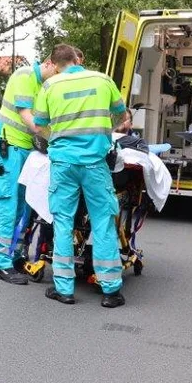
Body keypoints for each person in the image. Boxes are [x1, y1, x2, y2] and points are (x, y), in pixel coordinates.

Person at [33, 44, 127, 307]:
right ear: (78, 58)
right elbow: (121, 114)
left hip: (63, 163)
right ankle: (110, 290)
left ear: (54, 63)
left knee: (63, 223)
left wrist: (59, 139)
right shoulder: (102, 79)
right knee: (103, 222)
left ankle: (64, 289)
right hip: (95, 163)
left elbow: (39, 126)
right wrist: (106, 132)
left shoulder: (50, 87)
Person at [0, 54, 60, 285]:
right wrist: (57, 138)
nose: (61, 77)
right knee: (7, 204)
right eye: (59, 71)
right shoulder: (25, 75)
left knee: (24, 206)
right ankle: (1, 264)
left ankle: (15, 256)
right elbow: (29, 119)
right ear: (49, 63)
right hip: (7, 148)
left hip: (24, 151)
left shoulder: (44, 85)